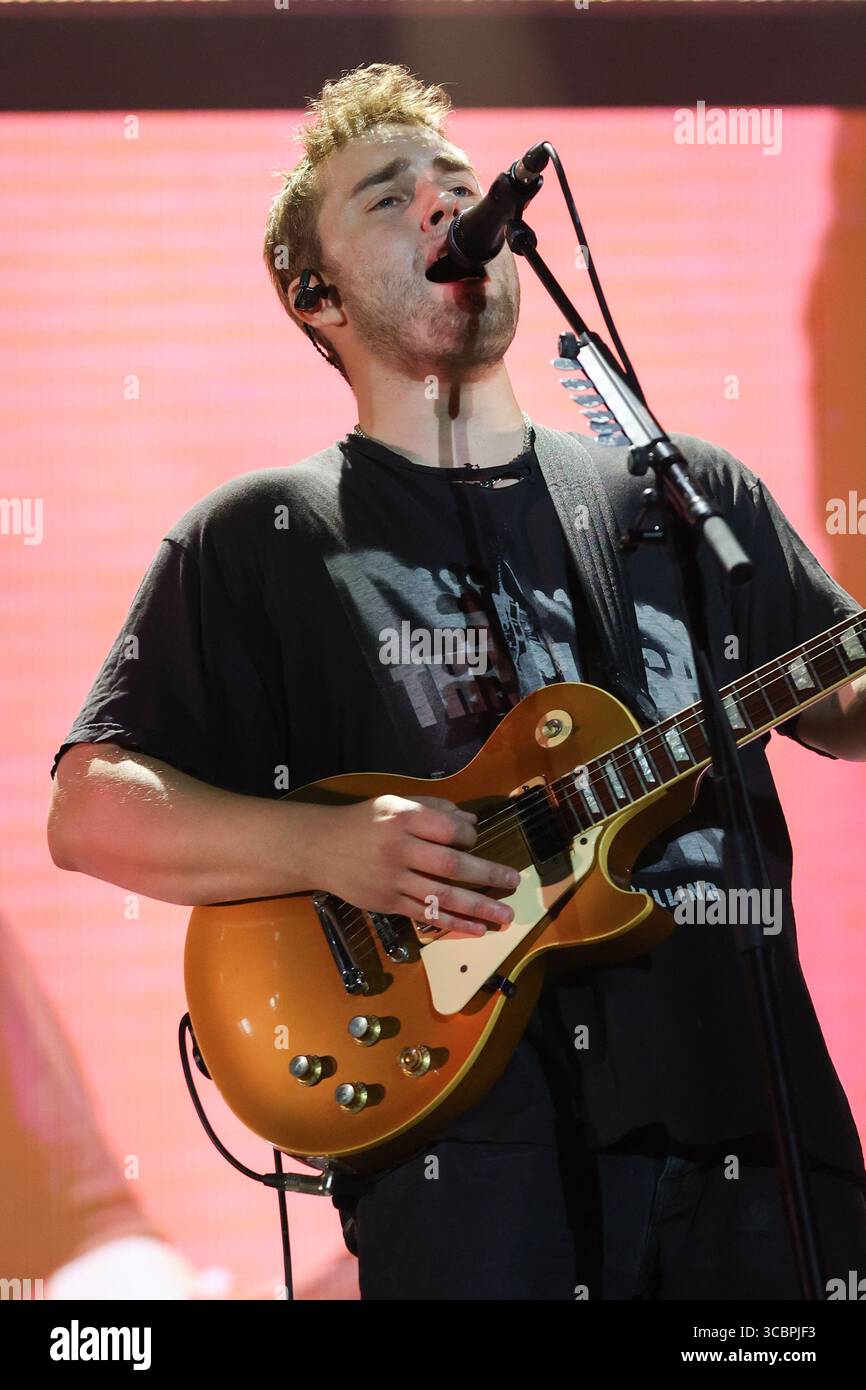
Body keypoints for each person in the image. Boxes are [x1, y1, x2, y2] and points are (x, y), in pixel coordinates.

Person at [48, 63, 866, 1301]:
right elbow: (91, 808)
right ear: (309, 292)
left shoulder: (678, 496)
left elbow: (838, 709)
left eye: (454, 183)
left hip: (756, 1147)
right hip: (475, 1173)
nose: (443, 206)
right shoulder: (266, 535)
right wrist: (328, 850)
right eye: (388, 197)